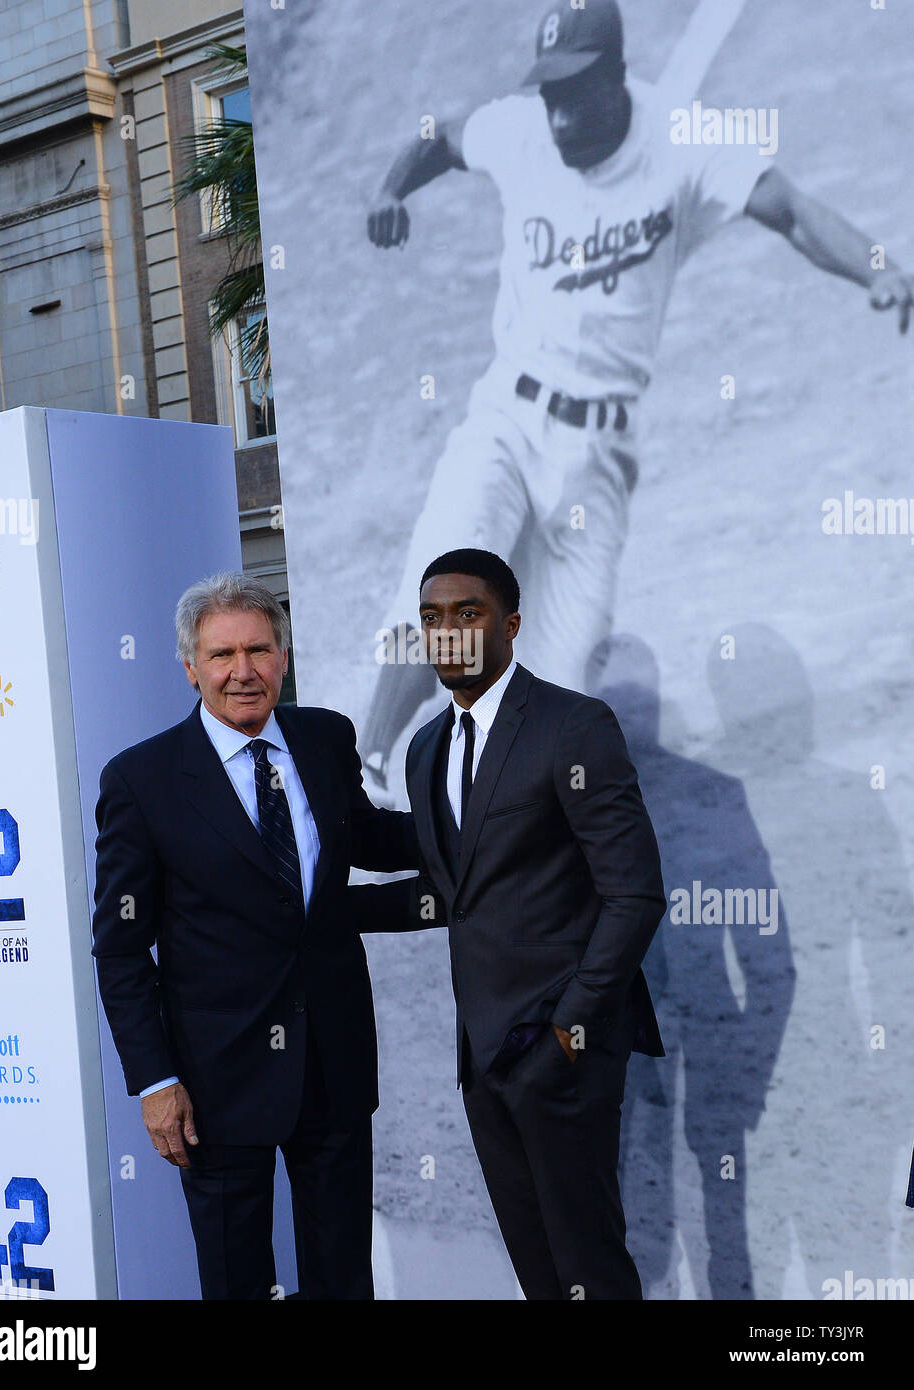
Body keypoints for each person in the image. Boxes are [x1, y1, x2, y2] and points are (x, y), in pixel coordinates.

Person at [361, 0, 914, 794]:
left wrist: (876, 265)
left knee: (558, 686)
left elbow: (788, 209)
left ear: (615, 79)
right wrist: (389, 191)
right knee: (454, 572)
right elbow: (437, 138)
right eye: (546, 94)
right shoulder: (520, 127)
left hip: (600, 458)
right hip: (507, 420)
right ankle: (365, 765)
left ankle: (487, 832)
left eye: (572, 94)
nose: (556, 115)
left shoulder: (682, 141)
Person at [91, 572, 417, 1300]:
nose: (243, 672)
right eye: (221, 655)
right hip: (213, 1083)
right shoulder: (141, 780)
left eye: (260, 650)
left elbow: (364, 837)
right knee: (238, 1280)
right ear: (189, 667)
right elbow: (119, 948)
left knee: (342, 1276)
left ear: (284, 654)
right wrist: (155, 1080)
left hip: (332, 1063)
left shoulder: (325, 737)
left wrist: (476, 822)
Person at [403, 547, 665, 1299]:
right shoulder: (427, 747)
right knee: (539, 1273)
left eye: (466, 612)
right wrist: (312, 911)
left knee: (589, 1268)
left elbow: (634, 894)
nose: (446, 631)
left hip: (561, 1051)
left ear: (510, 624)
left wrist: (569, 1030)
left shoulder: (572, 726)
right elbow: (452, 889)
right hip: (482, 1058)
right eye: (430, 617)